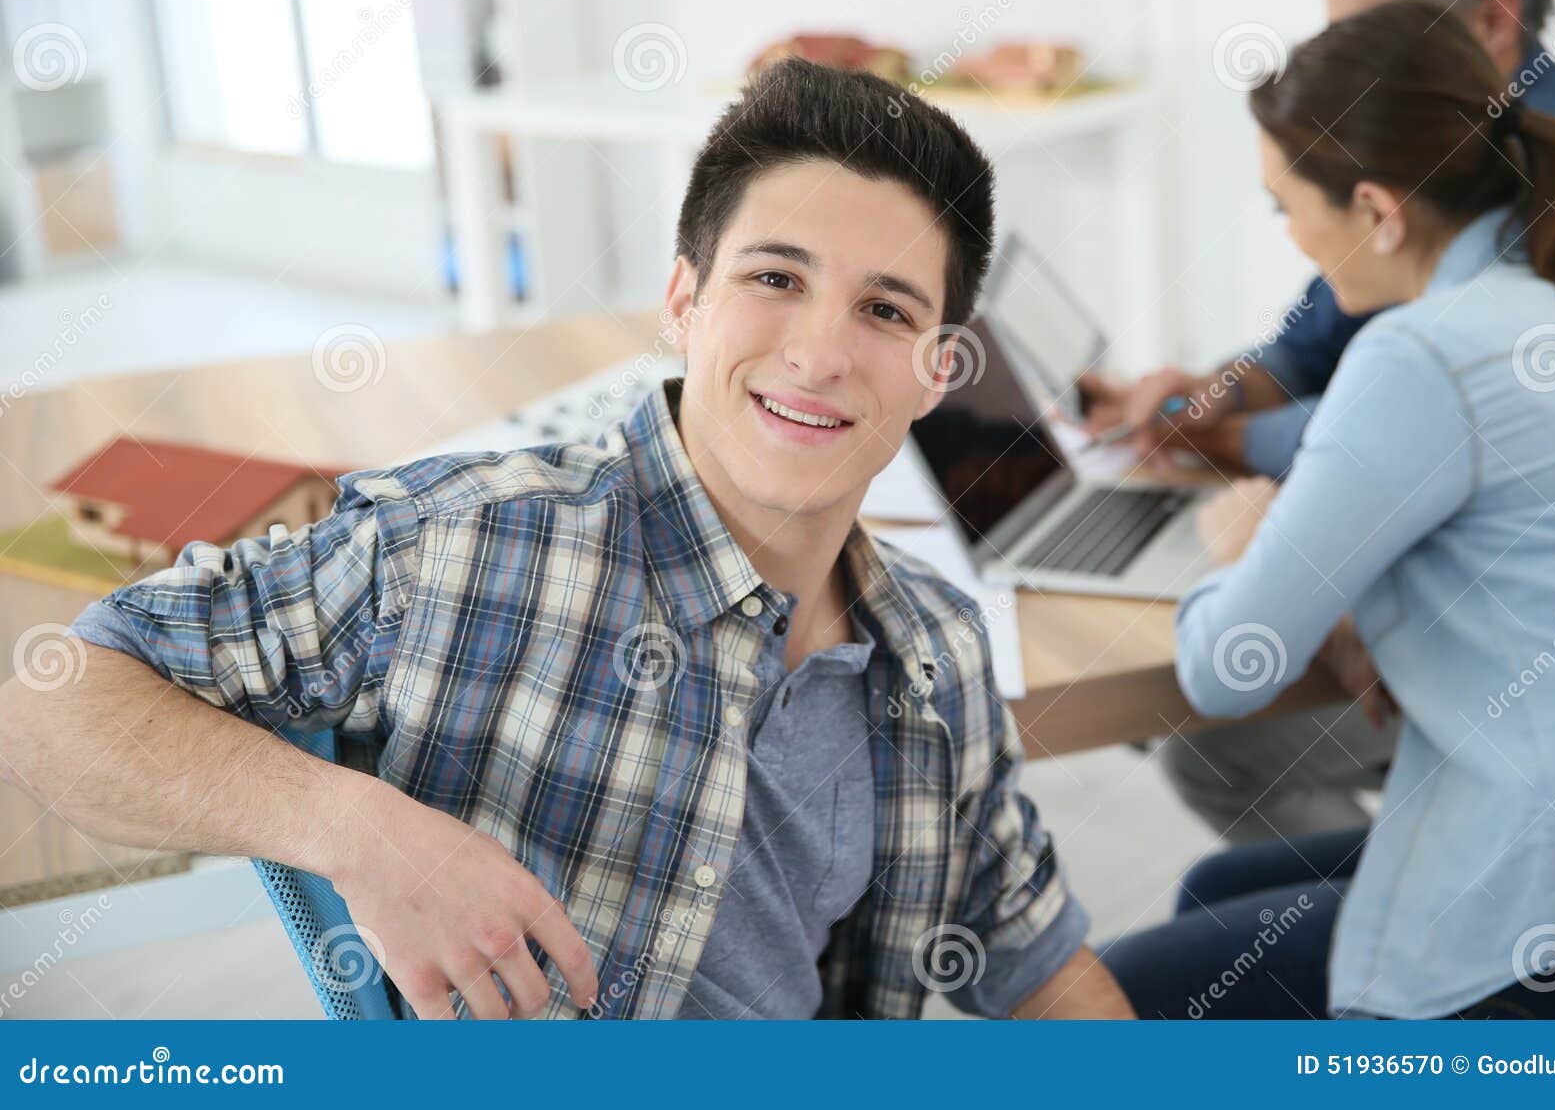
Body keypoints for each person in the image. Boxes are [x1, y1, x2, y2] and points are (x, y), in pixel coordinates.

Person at [0, 59, 1133, 1021]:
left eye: (886, 309)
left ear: (939, 369)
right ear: (683, 300)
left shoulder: (935, 651)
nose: (821, 352)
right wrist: (355, 828)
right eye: (774, 278)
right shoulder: (468, 547)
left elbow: (1031, 957)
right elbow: (54, 694)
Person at [1102, 0, 1555, 1019]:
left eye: (1286, 206)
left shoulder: (1422, 354)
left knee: (1097, 1002)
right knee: (1215, 890)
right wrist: (1373, 607)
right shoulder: (1548, 292)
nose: (1290, 235)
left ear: (1377, 208)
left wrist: (1235, 547)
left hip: (1538, 895)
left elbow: (1223, 667)